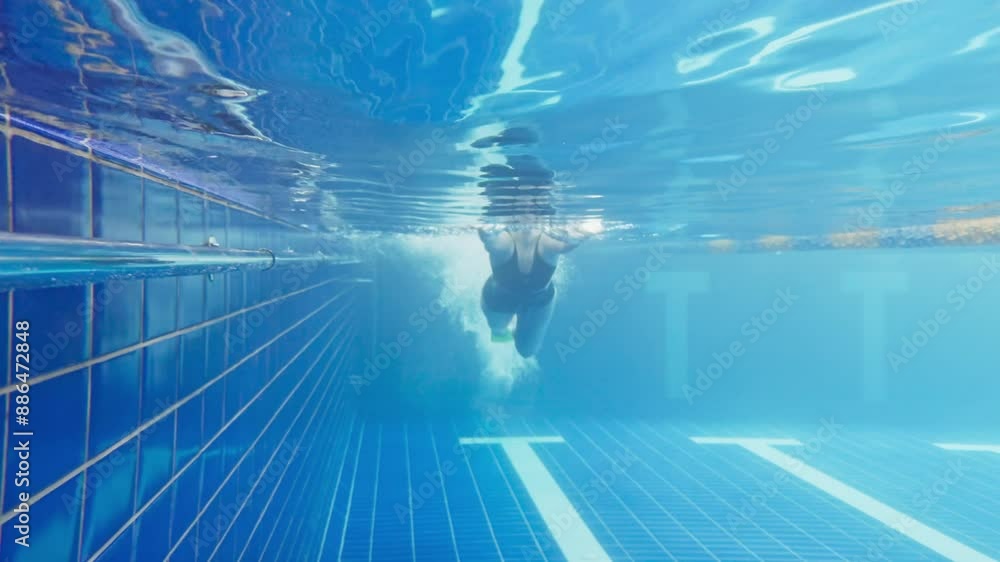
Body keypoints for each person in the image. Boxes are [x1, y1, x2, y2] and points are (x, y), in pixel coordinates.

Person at [478, 221, 588, 358]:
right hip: (499, 299)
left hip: (538, 301)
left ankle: (514, 328)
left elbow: (564, 245)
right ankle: (504, 330)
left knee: (526, 352)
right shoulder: (504, 242)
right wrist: (485, 232)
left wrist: (582, 233)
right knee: (498, 331)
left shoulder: (547, 240)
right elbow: (491, 241)